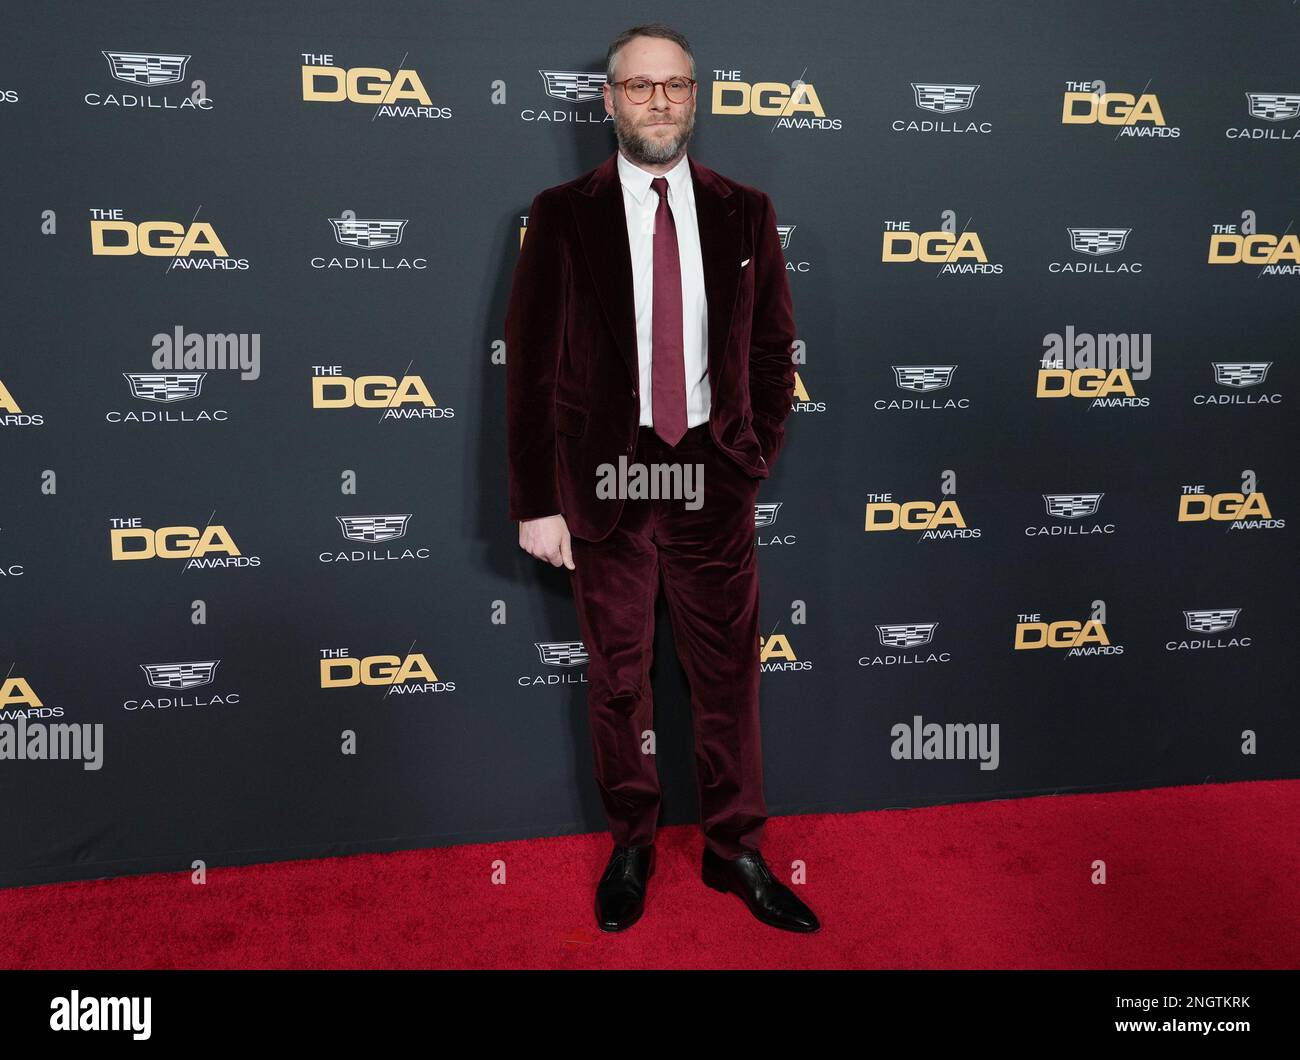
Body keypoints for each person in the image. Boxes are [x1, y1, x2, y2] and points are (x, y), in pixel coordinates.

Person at [505, 23, 819, 934]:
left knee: (727, 678)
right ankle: (633, 843)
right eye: (639, 86)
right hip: (604, 475)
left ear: (696, 97)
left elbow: (772, 349)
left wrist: (748, 454)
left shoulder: (745, 211)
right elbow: (528, 367)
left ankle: (735, 852)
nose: (658, 101)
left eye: (674, 86)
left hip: (709, 477)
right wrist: (535, 500)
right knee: (619, 679)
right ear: (608, 102)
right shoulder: (562, 213)